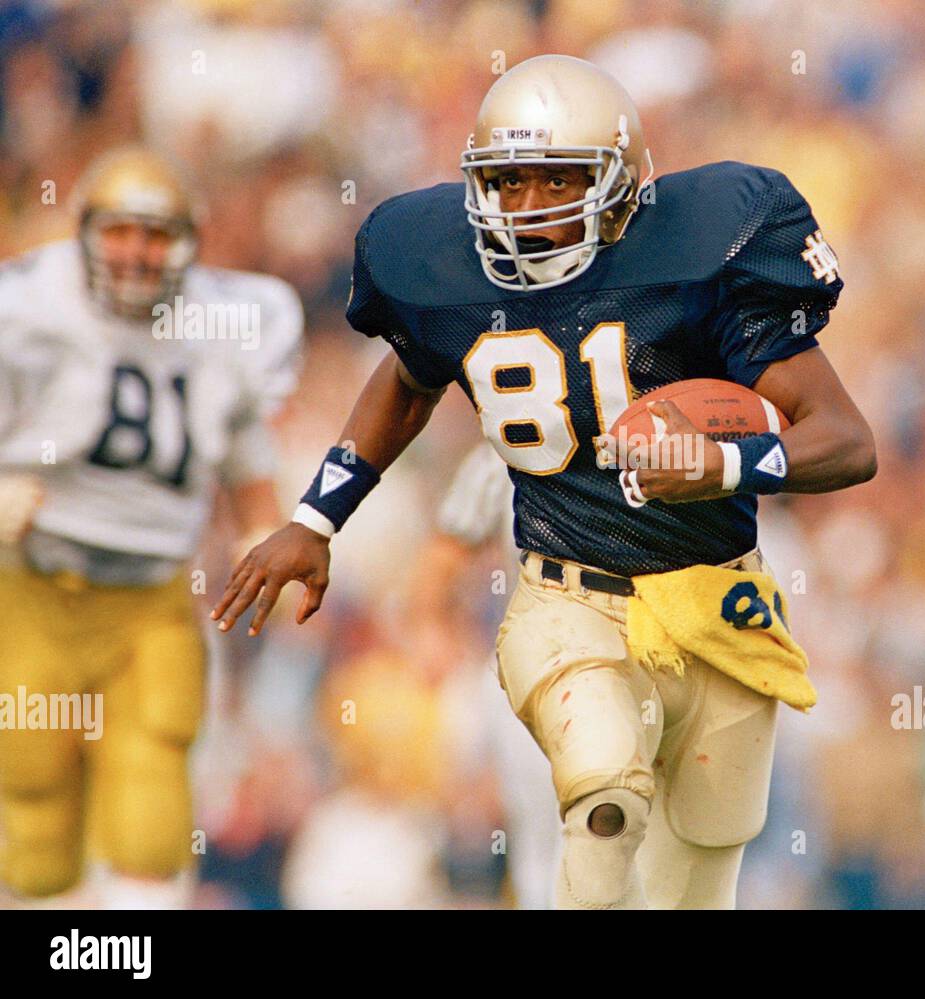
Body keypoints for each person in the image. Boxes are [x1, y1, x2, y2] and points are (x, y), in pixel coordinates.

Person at [213, 54, 876, 909]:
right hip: (568, 598)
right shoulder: (437, 267)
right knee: (603, 793)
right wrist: (315, 517)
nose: (528, 207)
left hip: (717, 600)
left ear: (625, 183)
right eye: (508, 180)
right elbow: (408, 376)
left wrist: (719, 463)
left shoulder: (704, 249)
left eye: (558, 180)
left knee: (700, 871)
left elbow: (847, 439)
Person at [0, 146, 303, 906]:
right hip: (36, 583)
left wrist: (260, 531)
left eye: (157, 235)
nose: (137, 255)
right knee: (30, 795)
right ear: (83, 235)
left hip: (151, 597)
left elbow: (244, 454)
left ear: (191, 241)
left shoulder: (225, 324)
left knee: (150, 806)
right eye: (120, 233)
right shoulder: (28, 307)